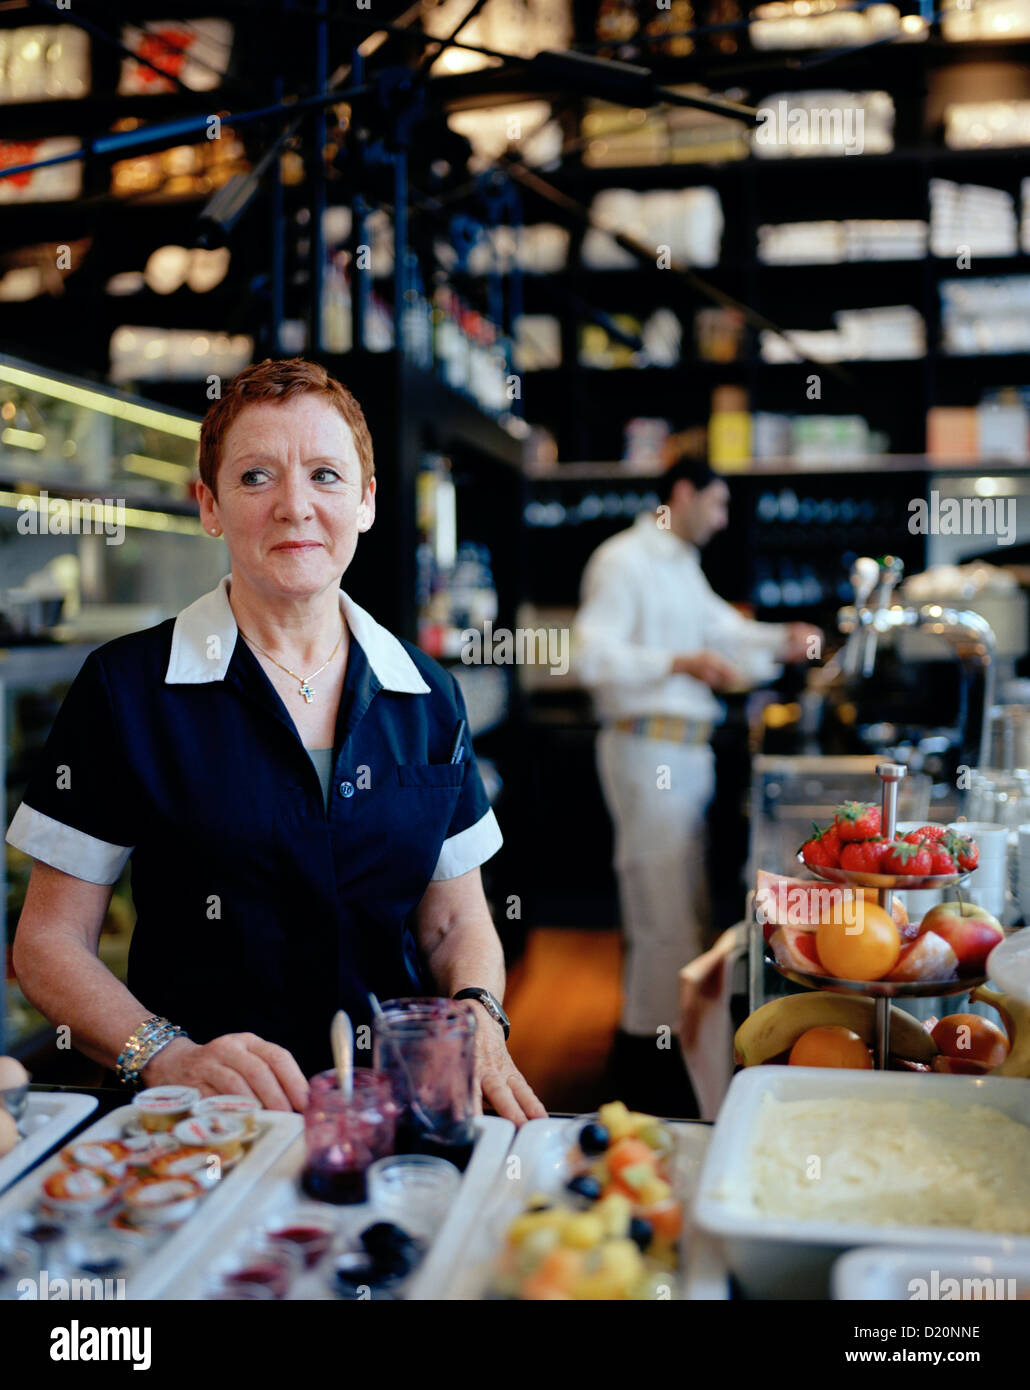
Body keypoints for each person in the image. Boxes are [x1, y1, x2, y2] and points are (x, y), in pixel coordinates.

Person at [8, 357, 546, 1126]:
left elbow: (456, 922)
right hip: (200, 1120)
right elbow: (49, 942)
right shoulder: (123, 690)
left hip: (392, 1109)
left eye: (326, 475)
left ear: (365, 501)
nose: (295, 506)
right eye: (257, 476)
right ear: (210, 505)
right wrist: (169, 1055)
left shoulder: (428, 696)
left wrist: (481, 1014)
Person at [573, 454, 819, 1115]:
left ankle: (669, 1065)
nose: (722, 518)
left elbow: (727, 632)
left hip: (686, 754)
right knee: (661, 919)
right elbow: (588, 655)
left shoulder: (680, 565)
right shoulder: (623, 560)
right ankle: (645, 1079)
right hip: (646, 747)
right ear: (682, 493)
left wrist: (783, 638)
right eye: (716, 504)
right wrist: (677, 661)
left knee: (680, 916)